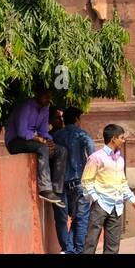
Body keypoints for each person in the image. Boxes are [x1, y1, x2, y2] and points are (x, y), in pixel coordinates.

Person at [80, 123, 135, 254]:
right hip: (100, 204)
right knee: (90, 243)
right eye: (122, 137)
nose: (123, 140)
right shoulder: (96, 157)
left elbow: (123, 182)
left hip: (117, 206)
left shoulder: (120, 160)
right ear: (113, 138)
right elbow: (86, 180)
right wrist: (96, 199)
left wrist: (132, 200)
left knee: (113, 246)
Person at [4, 87, 64, 205]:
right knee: (42, 148)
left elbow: (43, 131)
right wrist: (39, 139)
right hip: (15, 141)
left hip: (33, 140)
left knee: (61, 151)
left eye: (49, 96)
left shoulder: (45, 109)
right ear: (37, 94)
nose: (48, 99)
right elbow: (22, 132)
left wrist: (48, 139)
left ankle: (56, 189)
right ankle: (45, 189)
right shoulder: (26, 107)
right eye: (45, 96)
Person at [51, 106, 95, 254]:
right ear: (77, 120)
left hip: (60, 183)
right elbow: (92, 153)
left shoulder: (57, 136)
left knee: (62, 219)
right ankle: (78, 249)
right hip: (79, 182)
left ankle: (67, 249)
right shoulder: (81, 134)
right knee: (81, 217)